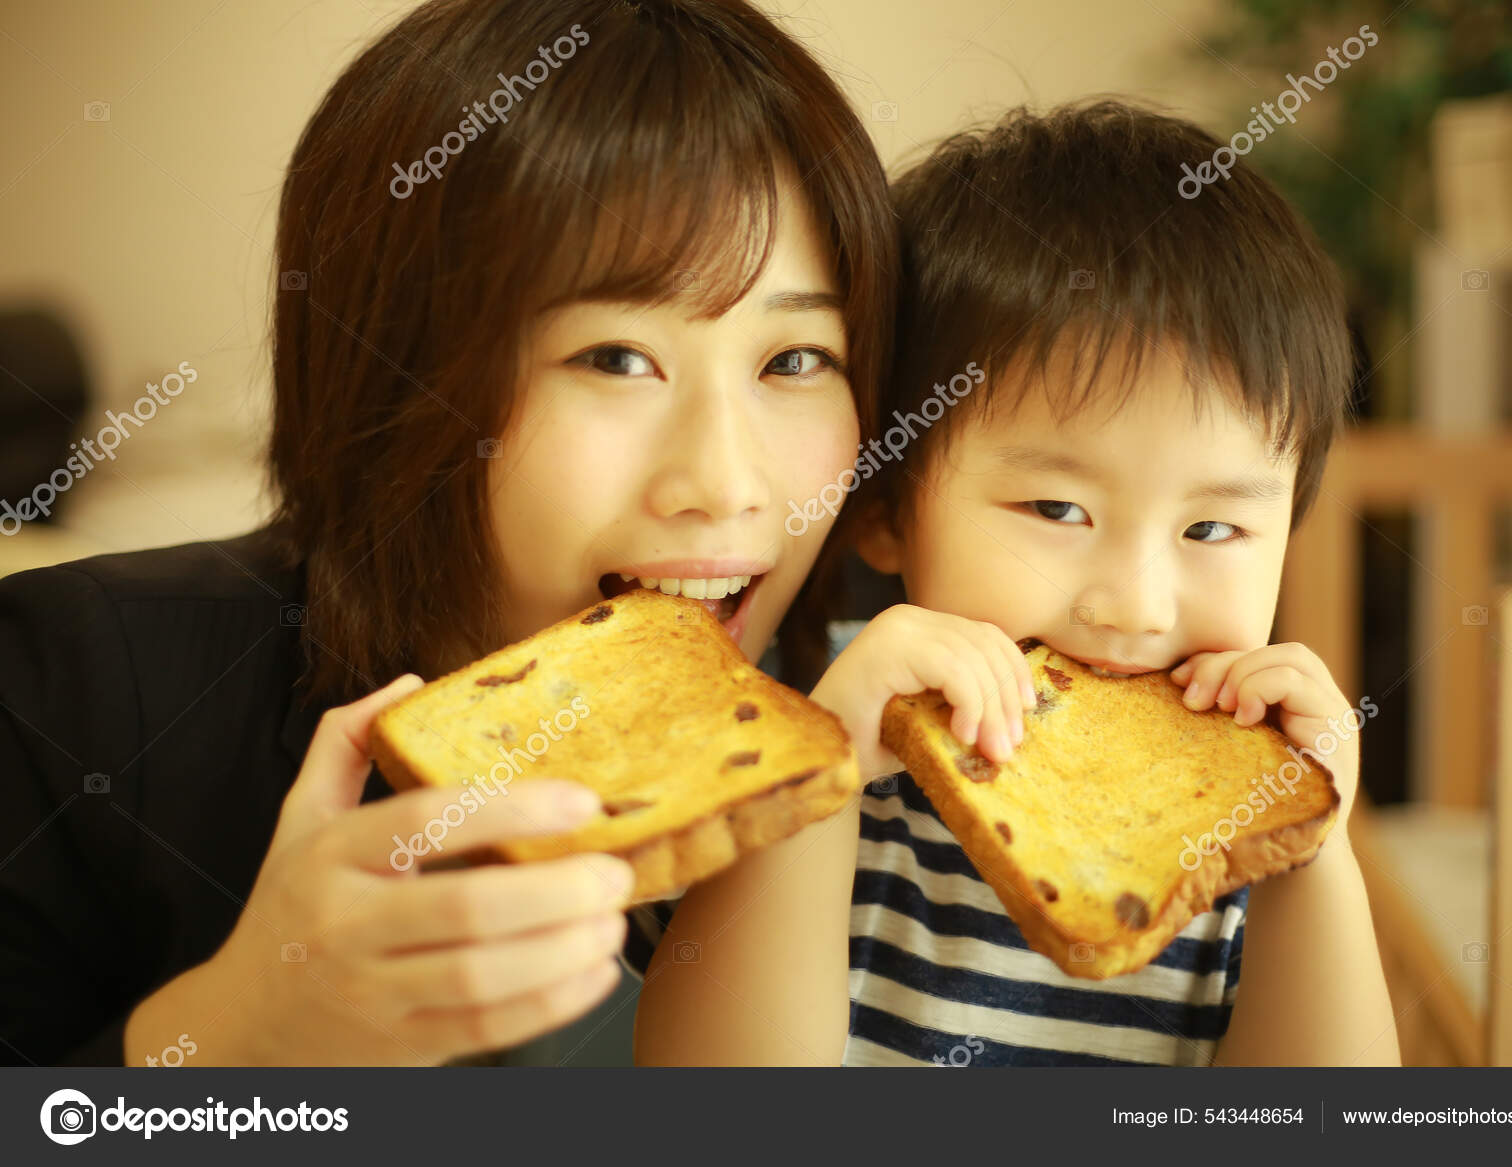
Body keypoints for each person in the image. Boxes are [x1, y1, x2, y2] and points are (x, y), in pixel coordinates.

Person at [0, 0, 894, 1067]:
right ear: (395, 373)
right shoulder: (77, 687)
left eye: (794, 360)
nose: (726, 483)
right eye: (614, 357)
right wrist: (236, 1033)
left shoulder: (929, 698)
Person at [630, 99, 1400, 1066]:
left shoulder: (1234, 824)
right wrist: (818, 783)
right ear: (884, 506)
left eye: (1212, 527)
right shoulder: (783, 729)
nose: (1135, 606)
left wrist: (1308, 852)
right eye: (1057, 511)